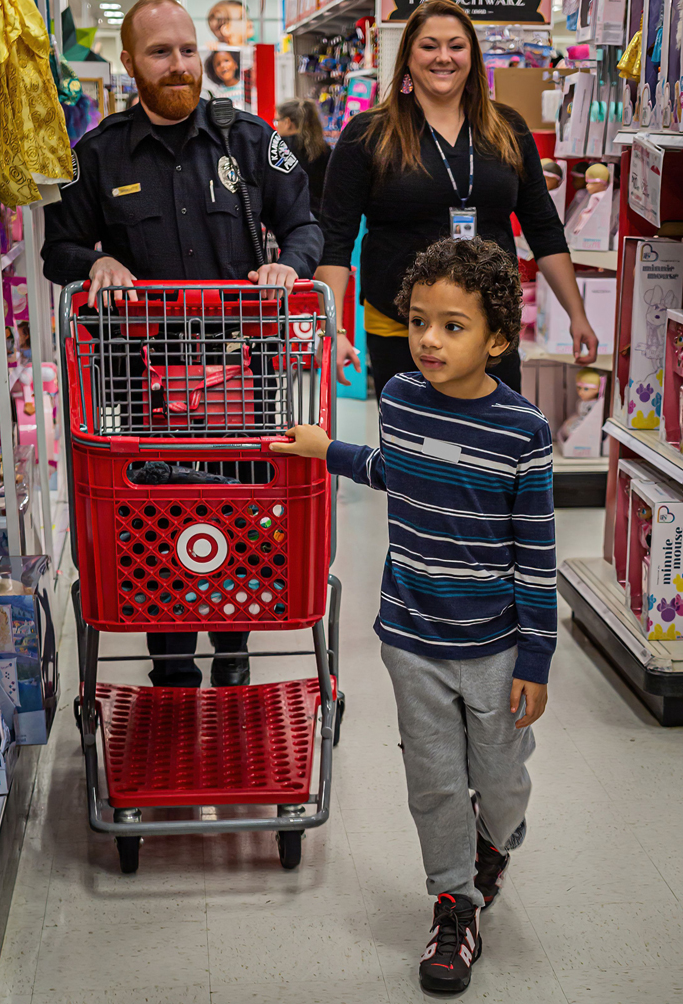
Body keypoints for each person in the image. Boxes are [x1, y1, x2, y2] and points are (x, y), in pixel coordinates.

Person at [273, 236, 555, 995]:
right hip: (411, 634)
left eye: (453, 326)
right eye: (420, 321)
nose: (429, 339)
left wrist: (536, 659)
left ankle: (495, 836)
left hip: (494, 642)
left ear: (497, 340)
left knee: (499, 779)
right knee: (433, 782)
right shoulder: (398, 398)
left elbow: (537, 554)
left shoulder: (523, 431)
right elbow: (395, 470)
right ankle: (454, 906)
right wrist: (327, 449)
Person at [42, 0, 323, 689]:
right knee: (155, 521)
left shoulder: (250, 140)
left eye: (188, 50)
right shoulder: (98, 154)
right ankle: (169, 666)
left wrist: (289, 265)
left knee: (240, 514)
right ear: (130, 62)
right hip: (141, 386)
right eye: (160, 52)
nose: (179, 65)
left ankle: (234, 653)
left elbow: (305, 225)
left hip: (242, 380)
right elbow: (57, 250)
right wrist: (96, 263)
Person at [317, 0, 598, 401]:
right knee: (413, 437)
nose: (443, 57)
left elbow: (544, 228)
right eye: (429, 46)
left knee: (497, 435)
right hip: (404, 329)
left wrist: (577, 314)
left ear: (472, 56)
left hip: (490, 330)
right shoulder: (369, 133)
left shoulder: (507, 129)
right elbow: (335, 239)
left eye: (456, 46)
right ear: (408, 56)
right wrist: (334, 331)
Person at [275, 99, 331, 218]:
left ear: (287, 122)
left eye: (277, 120)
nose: (276, 125)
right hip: (319, 217)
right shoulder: (324, 149)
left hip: (289, 217)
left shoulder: (281, 148)